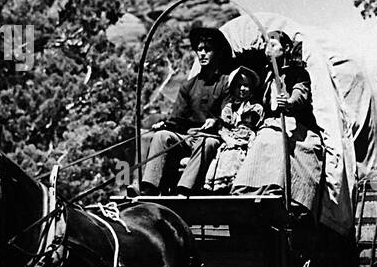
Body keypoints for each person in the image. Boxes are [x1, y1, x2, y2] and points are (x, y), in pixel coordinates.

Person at [230, 30, 323, 218]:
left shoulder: (297, 73)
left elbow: (300, 93)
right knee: (261, 139)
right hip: (270, 123)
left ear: (286, 48)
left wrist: (288, 102)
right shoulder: (267, 75)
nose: (268, 49)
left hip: (293, 123)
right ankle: (247, 189)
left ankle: (274, 189)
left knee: (272, 140)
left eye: (273, 45)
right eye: (266, 45)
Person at [138, 21, 232, 194]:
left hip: (213, 138)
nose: (202, 53)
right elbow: (177, 119)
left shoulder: (226, 83)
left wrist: (216, 122)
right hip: (188, 137)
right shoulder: (188, 85)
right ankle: (148, 188)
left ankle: (184, 189)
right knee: (160, 136)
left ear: (217, 53)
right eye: (199, 49)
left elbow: (230, 115)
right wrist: (164, 124)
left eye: (208, 49)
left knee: (207, 142)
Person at [190, 66, 264, 192]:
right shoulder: (229, 108)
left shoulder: (256, 108)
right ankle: (220, 187)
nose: (242, 89)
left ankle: (237, 187)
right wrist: (228, 139)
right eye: (239, 85)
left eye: (246, 85)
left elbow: (257, 128)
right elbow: (223, 128)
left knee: (238, 156)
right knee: (224, 155)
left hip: (246, 143)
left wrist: (250, 140)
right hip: (229, 142)